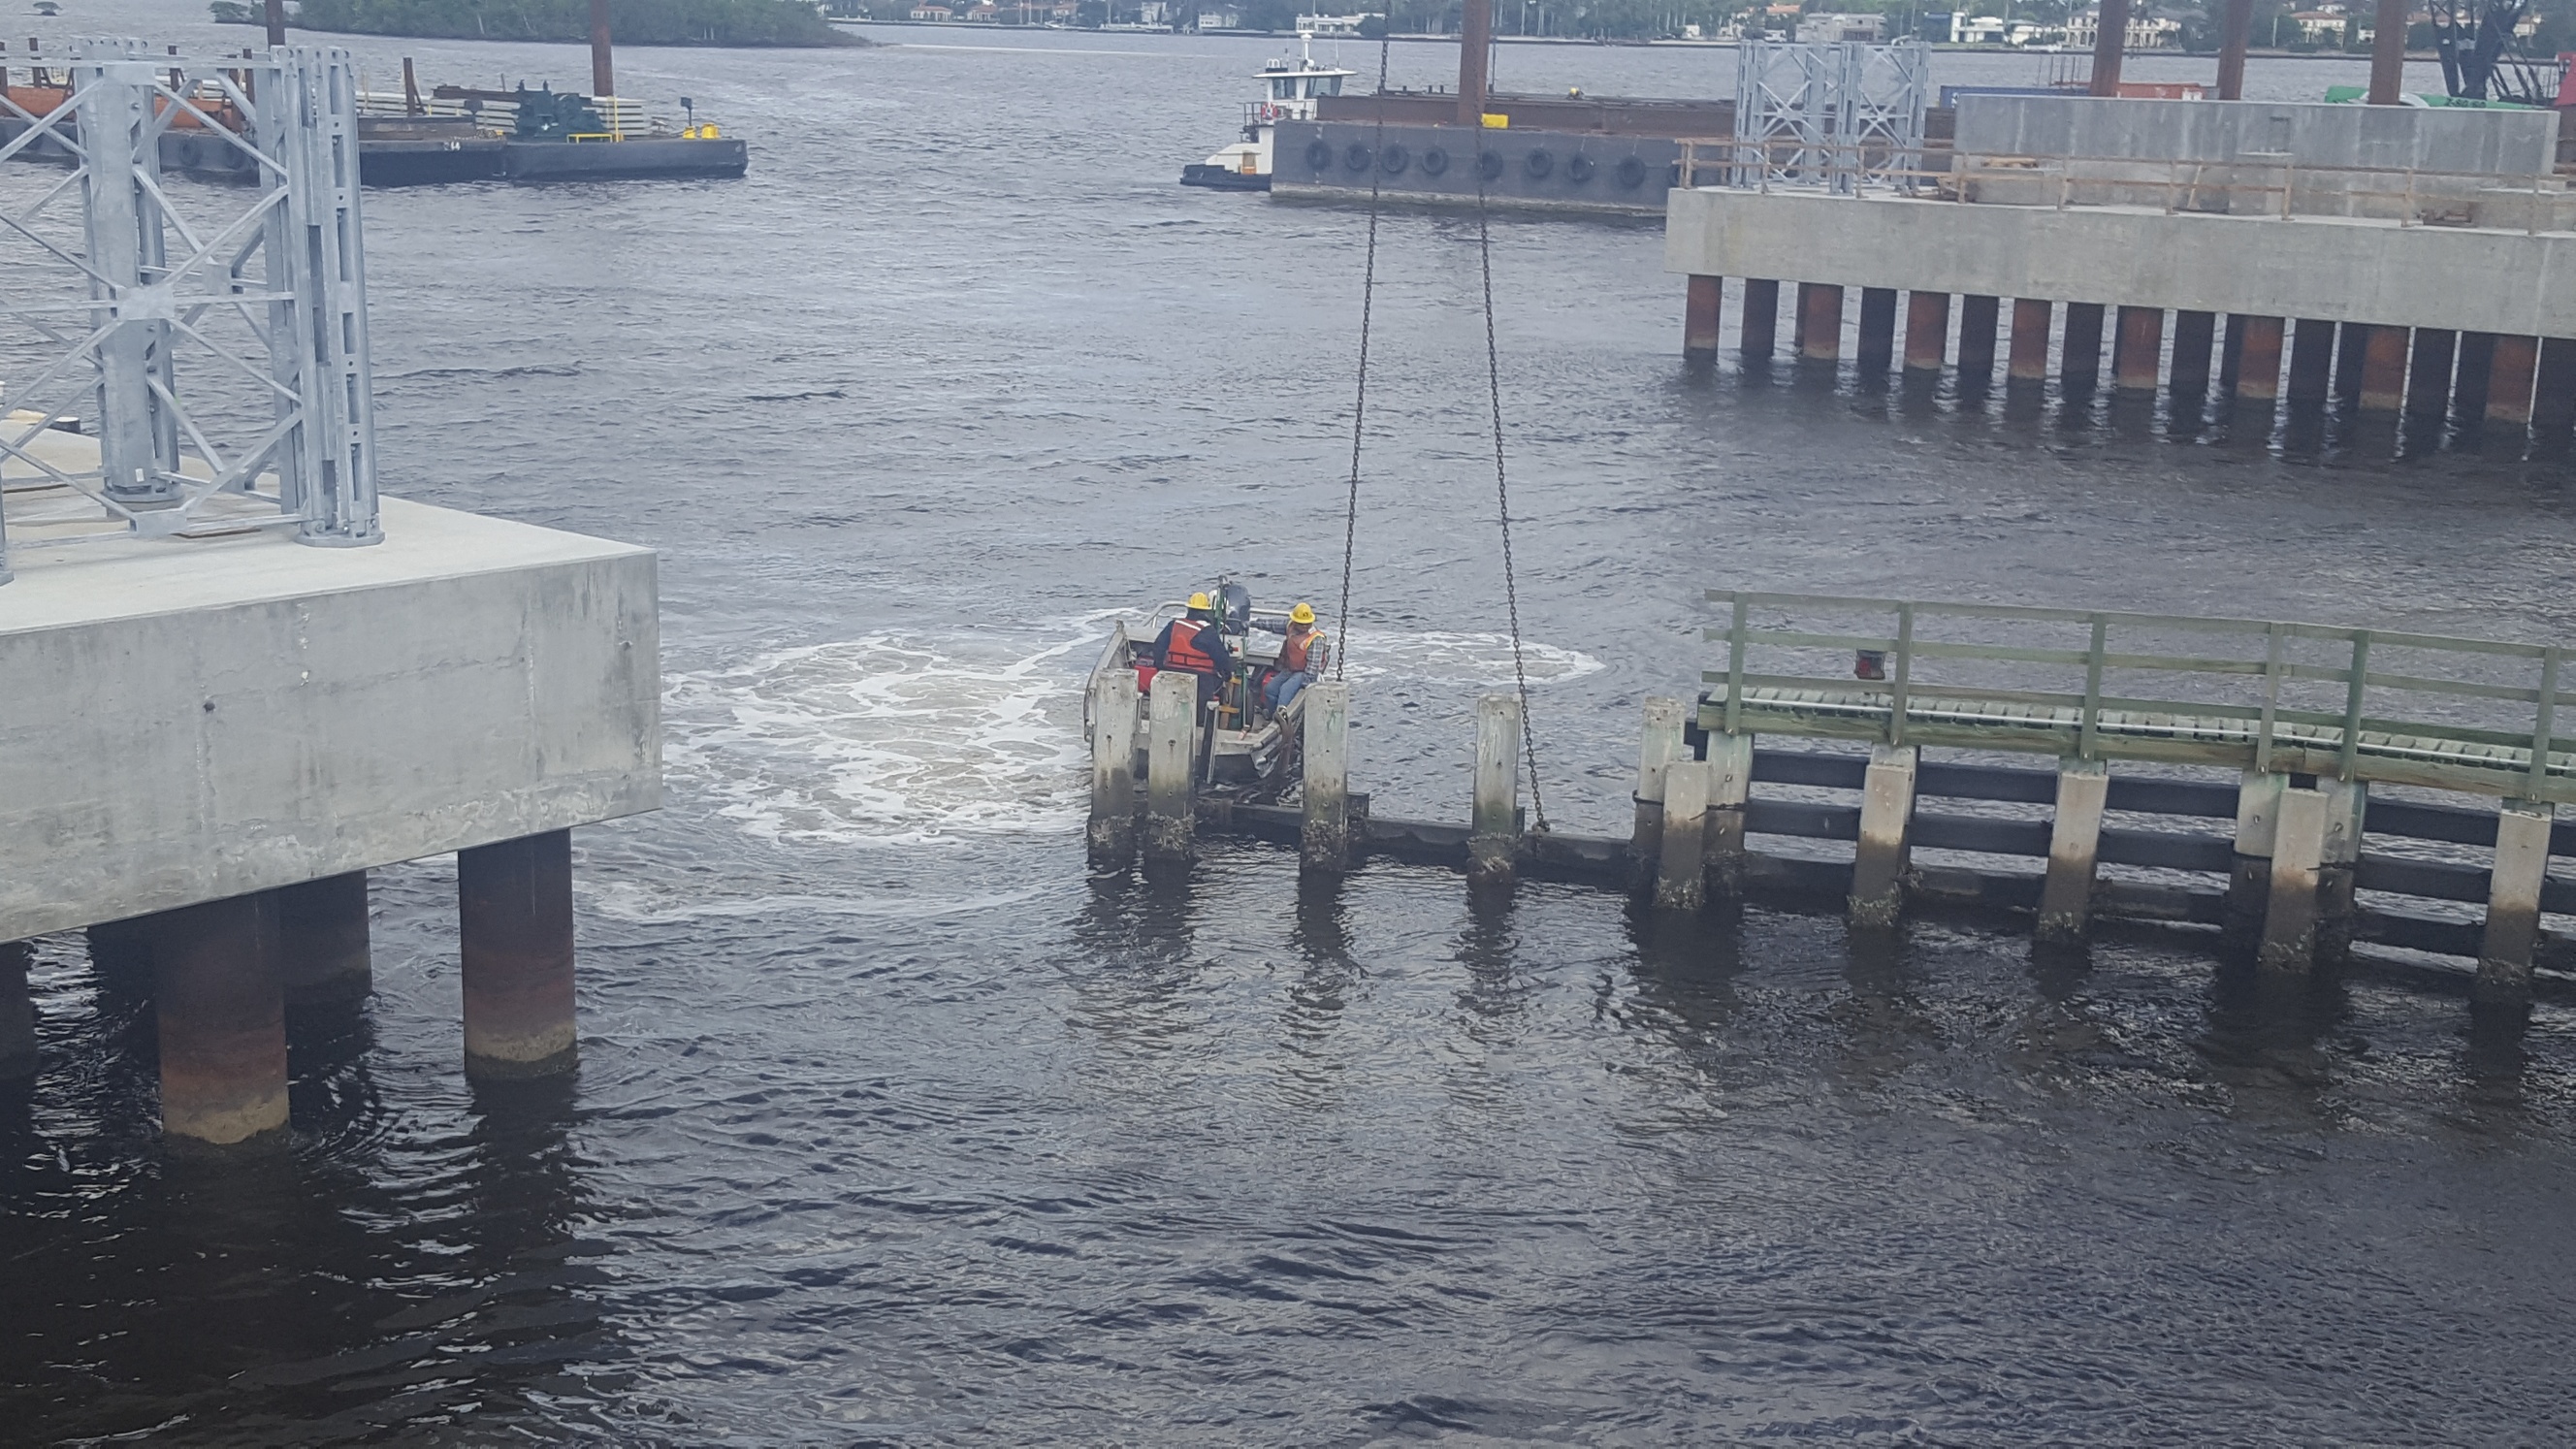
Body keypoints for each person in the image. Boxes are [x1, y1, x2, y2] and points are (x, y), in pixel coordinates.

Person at [1153, 591, 1235, 704]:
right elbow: (1221, 657)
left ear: (1189, 609)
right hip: (1202, 681)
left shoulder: (1174, 625)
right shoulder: (1208, 631)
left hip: (1172, 674)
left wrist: (1161, 668)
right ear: (1207, 611)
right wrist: (1228, 675)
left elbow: (1158, 647)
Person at [1258, 601, 1328, 716]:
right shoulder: (1290, 626)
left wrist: (1304, 686)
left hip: (1302, 673)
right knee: (1269, 690)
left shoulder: (1316, 639)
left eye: (1307, 623)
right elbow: (1272, 625)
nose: (1304, 626)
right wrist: (1253, 624)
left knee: (1285, 692)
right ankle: (1271, 715)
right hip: (1289, 669)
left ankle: (1282, 720)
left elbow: (1312, 668)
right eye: (1301, 623)